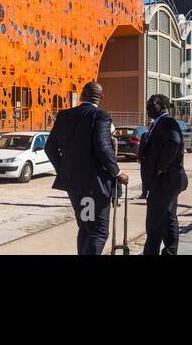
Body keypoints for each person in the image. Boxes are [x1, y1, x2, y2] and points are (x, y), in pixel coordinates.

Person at [45, 80, 127, 255]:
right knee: (97, 232)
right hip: (94, 188)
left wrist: (65, 169)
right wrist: (118, 173)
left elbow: (49, 147)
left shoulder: (64, 115)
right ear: (101, 98)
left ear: (82, 95)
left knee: (86, 228)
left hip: (76, 186)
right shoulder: (100, 116)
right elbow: (103, 147)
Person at [140, 93, 188, 255]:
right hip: (166, 182)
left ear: (162, 106)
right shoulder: (158, 123)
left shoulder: (167, 122)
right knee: (168, 219)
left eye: (151, 105)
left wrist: (161, 167)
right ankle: (170, 251)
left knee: (154, 223)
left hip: (164, 182)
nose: (147, 108)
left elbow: (173, 143)